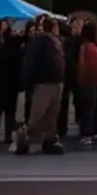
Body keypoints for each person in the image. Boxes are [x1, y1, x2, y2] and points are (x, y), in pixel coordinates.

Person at [15, 17, 65, 156]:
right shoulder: (41, 42)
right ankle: (23, 138)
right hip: (45, 82)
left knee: (50, 114)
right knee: (38, 115)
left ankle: (49, 139)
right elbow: (31, 63)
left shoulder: (51, 41)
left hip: (52, 81)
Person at [75, 22, 97, 147]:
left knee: (87, 108)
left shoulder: (85, 46)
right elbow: (94, 66)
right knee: (89, 108)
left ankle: (86, 132)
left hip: (85, 81)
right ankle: (86, 133)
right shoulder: (91, 47)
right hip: (89, 81)